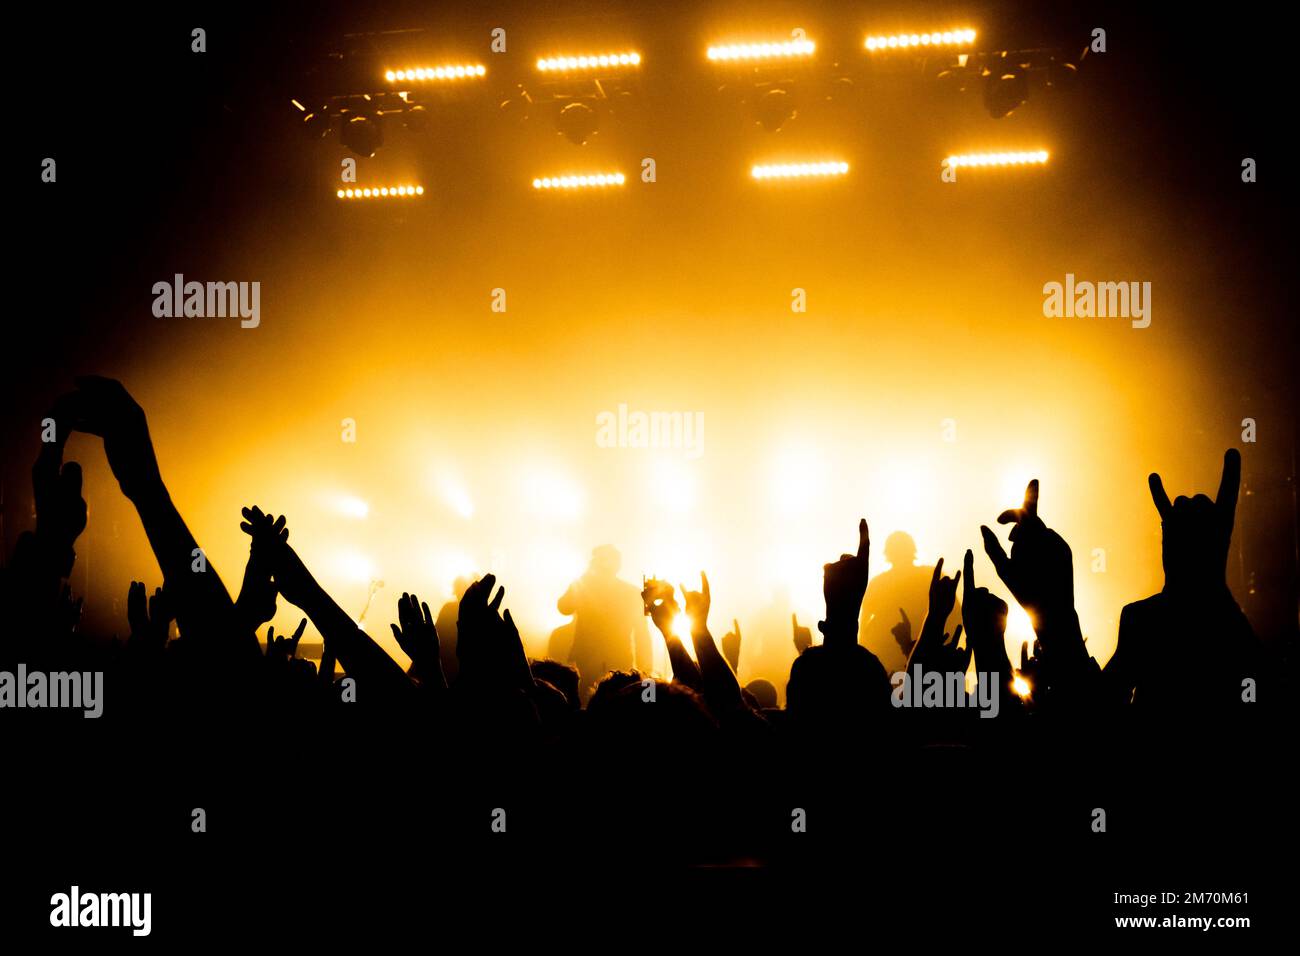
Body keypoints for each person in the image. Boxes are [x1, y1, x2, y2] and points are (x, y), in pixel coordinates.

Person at [557, 545, 650, 701]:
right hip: (604, 660)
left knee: (592, 705)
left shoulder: (629, 593)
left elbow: (563, 608)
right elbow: (564, 608)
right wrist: (646, 673)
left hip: (605, 661)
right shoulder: (630, 592)